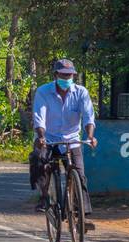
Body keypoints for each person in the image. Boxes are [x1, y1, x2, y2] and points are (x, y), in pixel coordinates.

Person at [32, 58, 97, 228]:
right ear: (56, 75)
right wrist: (41, 137)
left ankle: (81, 215)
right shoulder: (43, 92)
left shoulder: (81, 92)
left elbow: (88, 116)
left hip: (72, 140)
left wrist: (90, 136)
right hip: (49, 139)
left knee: (79, 174)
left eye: (70, 75)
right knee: (40, 163)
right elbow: (40, 117)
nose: (67, 78)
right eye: (63, 75)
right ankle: (44, 198)